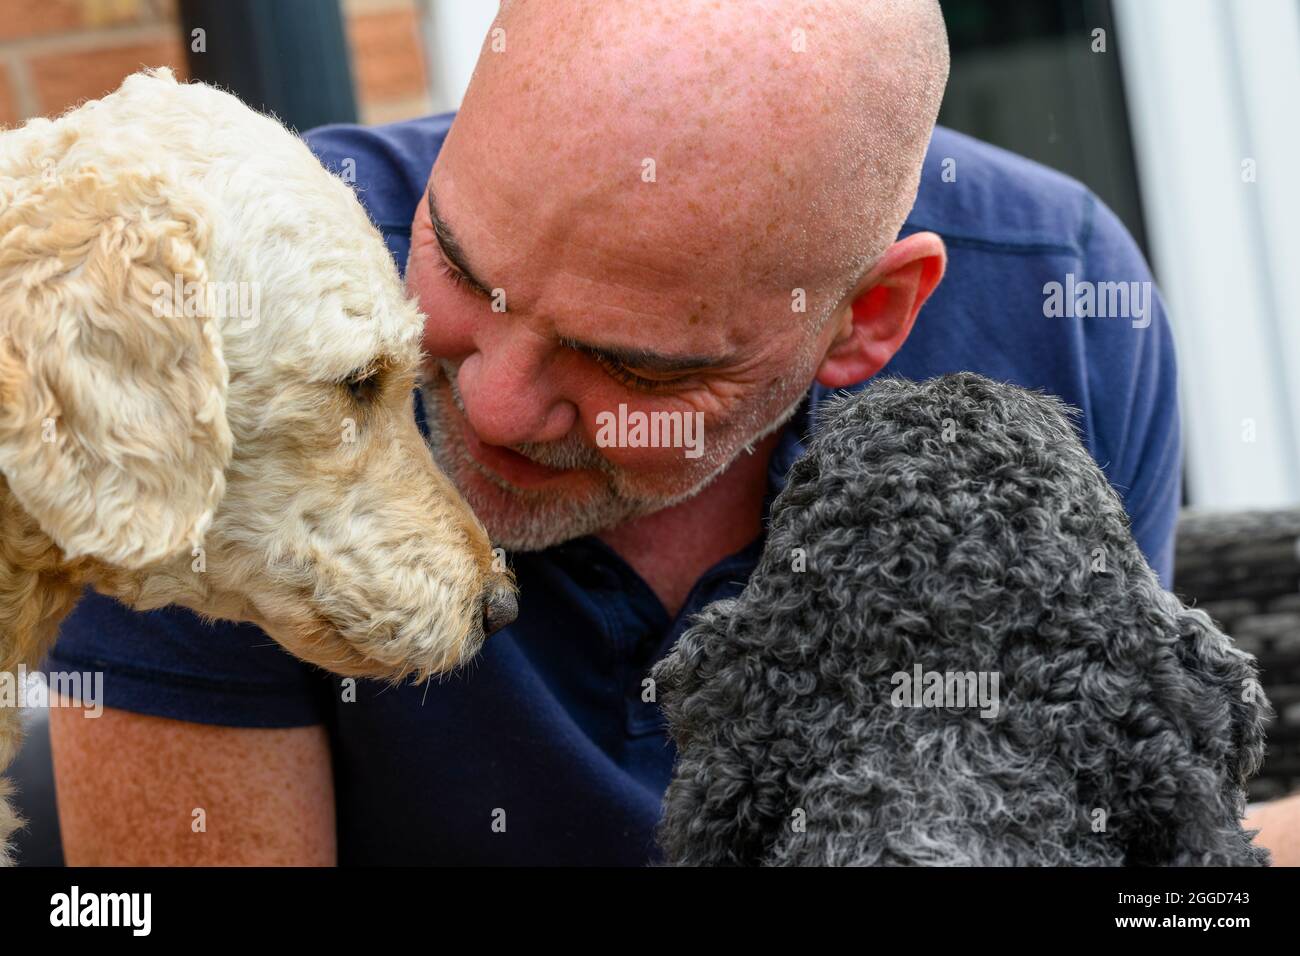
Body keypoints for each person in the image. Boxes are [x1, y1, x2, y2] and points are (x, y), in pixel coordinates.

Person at [49, 0, 1186, 864]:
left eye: (629, 362)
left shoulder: (1062, 315)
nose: (489, 408)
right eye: (457, 262)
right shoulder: (233, 313)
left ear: (866, 319)